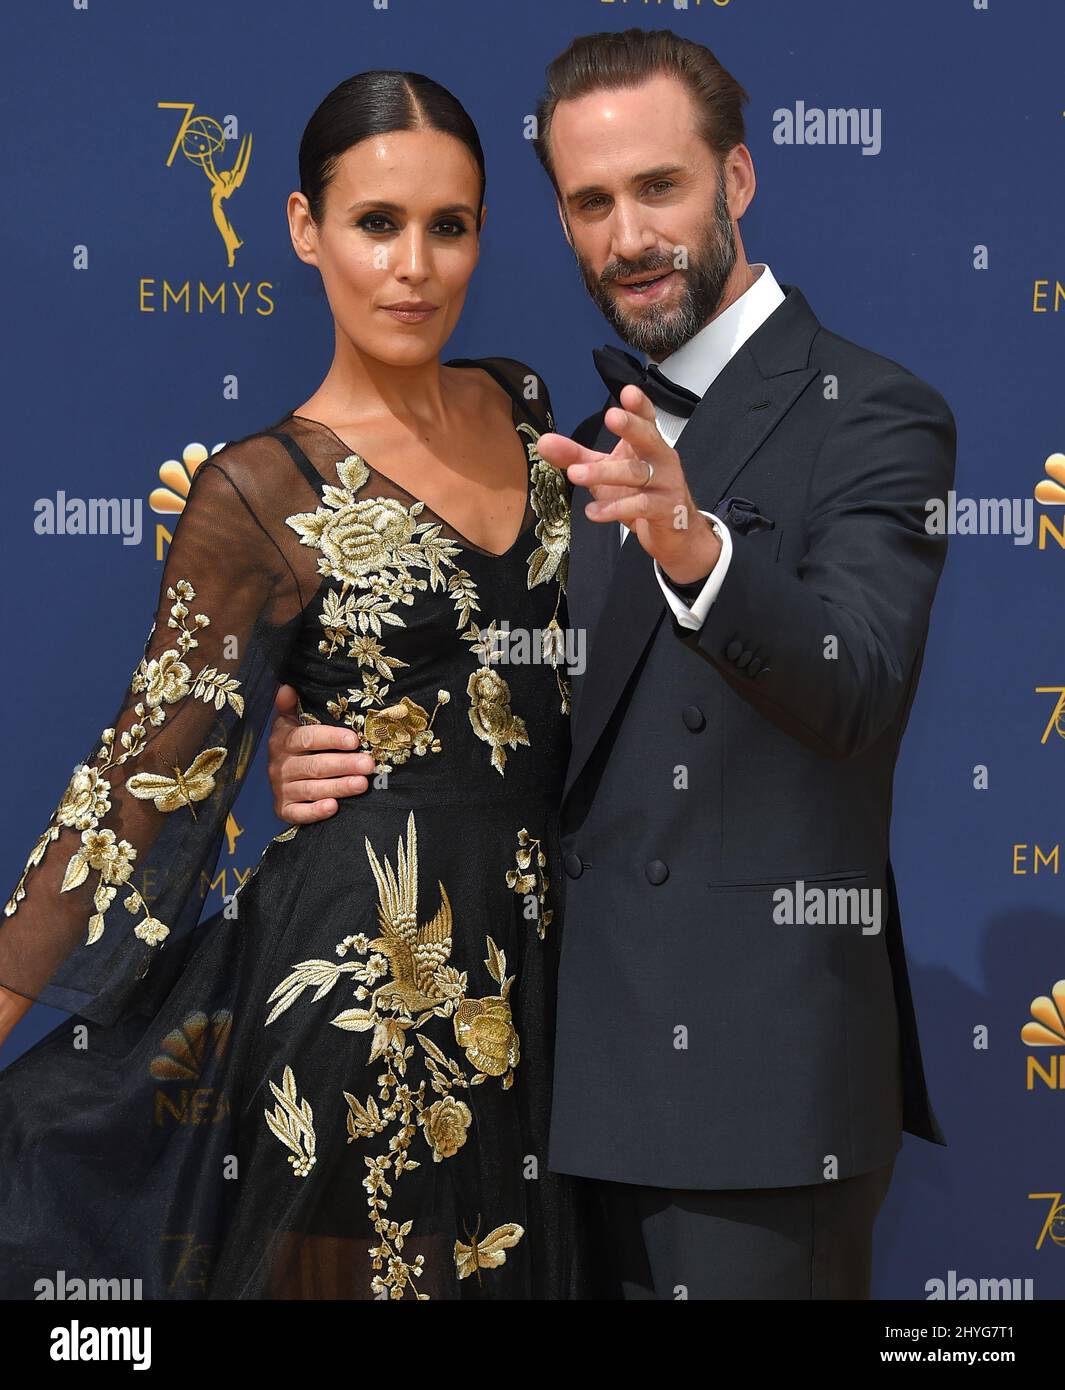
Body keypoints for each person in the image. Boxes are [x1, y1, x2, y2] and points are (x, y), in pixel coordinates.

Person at [267, 29, 957, 1299]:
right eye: (591, 202)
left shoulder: (873, 411)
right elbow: (508, 708)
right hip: (549, 1088)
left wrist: (696, 549)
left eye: (660, 188)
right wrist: (327, 744)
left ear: (738, 180)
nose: (629, 235)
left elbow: (857, 684)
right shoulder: (568, 448)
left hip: (756, 1109)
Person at [0, 70, 603, 1301]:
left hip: (556, 979)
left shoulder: (529, 406)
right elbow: (137, 785)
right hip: (367, 1001)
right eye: (377, 223)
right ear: (300, 229)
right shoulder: (256, 494)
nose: (414, 265)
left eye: (451, 225)